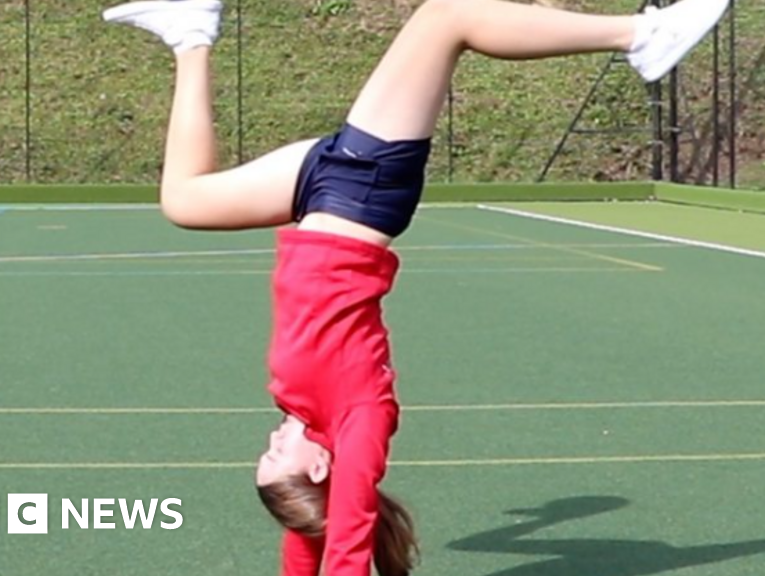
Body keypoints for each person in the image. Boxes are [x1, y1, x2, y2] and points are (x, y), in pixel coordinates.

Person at [102, 0, 731, 574]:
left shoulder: (302, 409)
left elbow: (304, 540)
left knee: (184, 200)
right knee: (446, 17)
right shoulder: (358, 421)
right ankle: (644, 36)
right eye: (273, 456)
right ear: (320, 466)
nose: (267, 443)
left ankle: (191, 34)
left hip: (317, 199)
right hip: (361, 195)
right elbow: (344, 539)